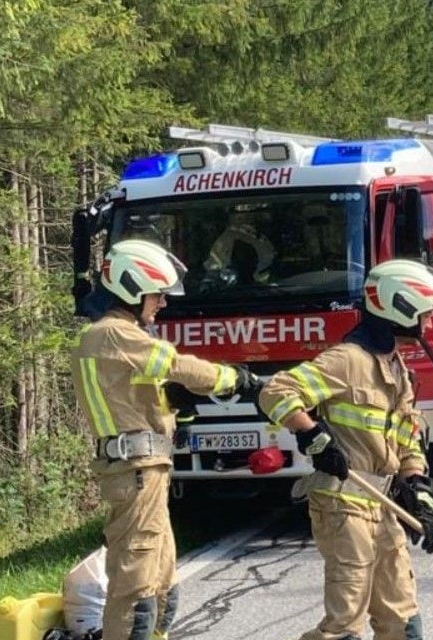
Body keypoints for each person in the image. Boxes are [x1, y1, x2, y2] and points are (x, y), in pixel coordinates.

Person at [71, 239, 260, 640]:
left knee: (161, 582)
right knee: (137, 587)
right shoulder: (112, 334)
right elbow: (175, 364)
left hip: (146, 471)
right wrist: (234, 379)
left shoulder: (116, 340)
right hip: (134, 472)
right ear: (131, 287)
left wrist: (173, 404)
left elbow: (138, 390)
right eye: (157, 295)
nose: (162, 303)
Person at [257, 259, 433, 640]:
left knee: (402, 620)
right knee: (345, 624)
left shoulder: (397, 369)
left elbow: (408, 438)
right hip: (343, 505)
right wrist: (312, 435)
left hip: (382, 505)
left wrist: (422, 498)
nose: (430, 324)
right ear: (402, 308)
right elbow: (275, 392)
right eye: (426, 315)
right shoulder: (347, 360)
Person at [203, 210, 276, 285]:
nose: (242, 260)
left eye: (247, 257)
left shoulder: (261, 243)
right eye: (238, 257)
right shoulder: (224, 240)